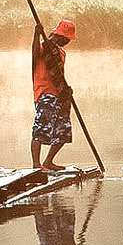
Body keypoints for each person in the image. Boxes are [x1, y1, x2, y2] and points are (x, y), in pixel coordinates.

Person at [31, 19, 76, 171]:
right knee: (41, 128)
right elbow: (35, 55)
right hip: (45, 93)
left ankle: (48, 162)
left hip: (59, 95)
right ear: (59, 36)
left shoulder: (61, 53)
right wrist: (36, 36)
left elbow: (59, 75)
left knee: (63, 130)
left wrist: (66, 90)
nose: (68, 42)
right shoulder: (45, 47)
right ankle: (37, 165)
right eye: (66, 39)